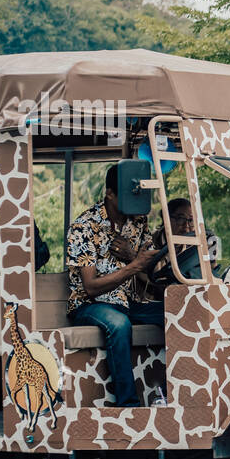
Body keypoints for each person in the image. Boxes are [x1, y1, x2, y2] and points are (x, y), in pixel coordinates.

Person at [65, 164, 162, 407]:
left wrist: (133, 257)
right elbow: (90, 287)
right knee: (119, 324)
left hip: (128, 302)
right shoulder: (84, 226)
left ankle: (175, 394)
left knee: (174, 312)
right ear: (110, 193)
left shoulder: (138, 221)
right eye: (129, 194)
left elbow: (149, 267)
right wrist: (134, 265)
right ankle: (128, 406)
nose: (135, 200)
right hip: (90, 305)